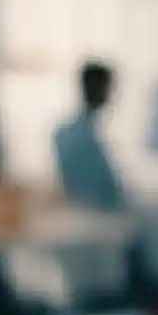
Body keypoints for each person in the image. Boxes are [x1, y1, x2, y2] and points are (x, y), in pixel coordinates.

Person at [53, 61, 125, 213]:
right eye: (108, 88)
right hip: (92, 214)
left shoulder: (66, 133)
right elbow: (105, 190)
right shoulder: (83, 137)